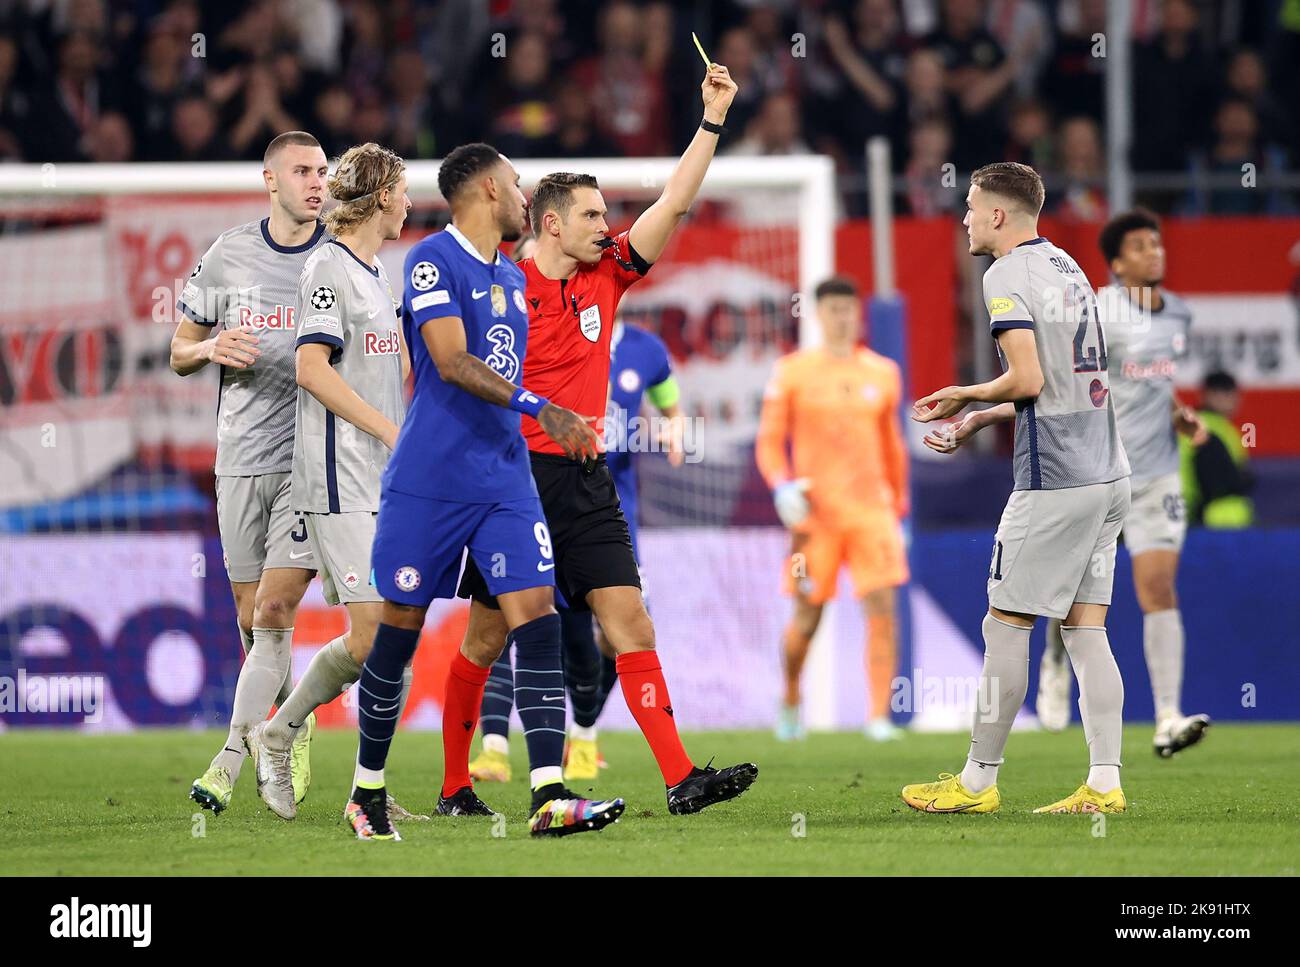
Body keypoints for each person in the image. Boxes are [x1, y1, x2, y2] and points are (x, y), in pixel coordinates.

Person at [452, 63, 759, 819]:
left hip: (586, 481)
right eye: (591, 214)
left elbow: (676, 201)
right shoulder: (496, 286)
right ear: (551, 222)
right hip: (515, 483)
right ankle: (459, 785)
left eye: (605, 214)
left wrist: (712, 119)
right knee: (490, 639)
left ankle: (682, 776)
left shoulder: (610, 275)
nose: (604, 224)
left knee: (631, 622)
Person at [343, 142, 621, 841]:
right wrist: (540, 407)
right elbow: (451, 359)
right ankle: (366, 790)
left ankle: (549, 792)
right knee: (397, 630)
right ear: (488, 189)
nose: (527, 193)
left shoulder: (510, 273)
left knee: (538, 616)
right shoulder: (433, 259)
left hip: (504, 478)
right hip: (431, 480)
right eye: (518, 182)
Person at [905, 162, 1132, 815]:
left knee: (1005, 623)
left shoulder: (1003, 274)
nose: (966, 218)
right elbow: (1064, 380)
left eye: (973, 207)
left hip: (1056, 478)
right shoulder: (1066, 267)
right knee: (1087, 630)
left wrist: (967, 389)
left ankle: (976, 782)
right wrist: (980, 417)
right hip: (1108, 470)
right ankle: (1105, 782)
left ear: (999, 215)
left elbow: (1028, 377)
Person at [244, 142, 424, 821]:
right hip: (339, 477)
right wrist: (385, 427)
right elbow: (311, 368)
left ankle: (367, 789)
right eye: (403, 190)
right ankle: (279, 731)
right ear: (381, 196)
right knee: (377, 634)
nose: (409, 202)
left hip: (384, 481)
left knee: (392, 639)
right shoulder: (326, 267)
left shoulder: (377, 271)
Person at [171, 131, 330, 815]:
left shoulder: (342, 258)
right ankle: (295, 713)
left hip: (312, 460)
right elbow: (177, 351)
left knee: (273, 609)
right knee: (250, 615)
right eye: (301, 171)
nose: (316, 182)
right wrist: (210, 345)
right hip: (239, 457)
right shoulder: (228, 253)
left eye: (323, 171)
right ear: (271, 181)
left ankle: (236, 755)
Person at [469, 292, 687, 784]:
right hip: (533, 494)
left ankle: (585, 739)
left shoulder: (647, 352)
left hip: (608, 512)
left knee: (614, 634)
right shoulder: (545, 331)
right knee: (507, 625)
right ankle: (495, 750)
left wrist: (675, 429)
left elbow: (670, 402)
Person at [1037, 209, 1211, 758]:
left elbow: (1155, 389)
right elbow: (1076, 383)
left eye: (1156, 243)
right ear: (1115, 264)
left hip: (1158, 475)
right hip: (1100, 471)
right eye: (1138, 246)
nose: (1153, 252)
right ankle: (1055, 661)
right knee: (1076, 594)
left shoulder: (1179, 315)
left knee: (1158, 588)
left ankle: (1166, 717)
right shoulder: (1100, 313)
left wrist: (1181, 416)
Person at [756, 276, 909, 743]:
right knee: (807, 616)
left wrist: (899, 508)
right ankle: (789, 699)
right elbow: (768, 443)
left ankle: (879, 716)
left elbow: (892, 445)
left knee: (882, 608)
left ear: (857, 313)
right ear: (818, 315)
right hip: (813, 519)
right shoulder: (792, 372)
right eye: (834, 310)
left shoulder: (882, 372)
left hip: (870, 514)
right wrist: (782, 486)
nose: (843, 318)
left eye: (849, 309)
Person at [1180, 370, 1254, 528]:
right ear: (1208, 395)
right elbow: (1227, 479)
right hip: (1201, 513)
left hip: (1169, 507)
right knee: (1232, 507)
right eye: (1225, 393)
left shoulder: (1185, 423)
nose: (1233, 400)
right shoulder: (1219, 429)